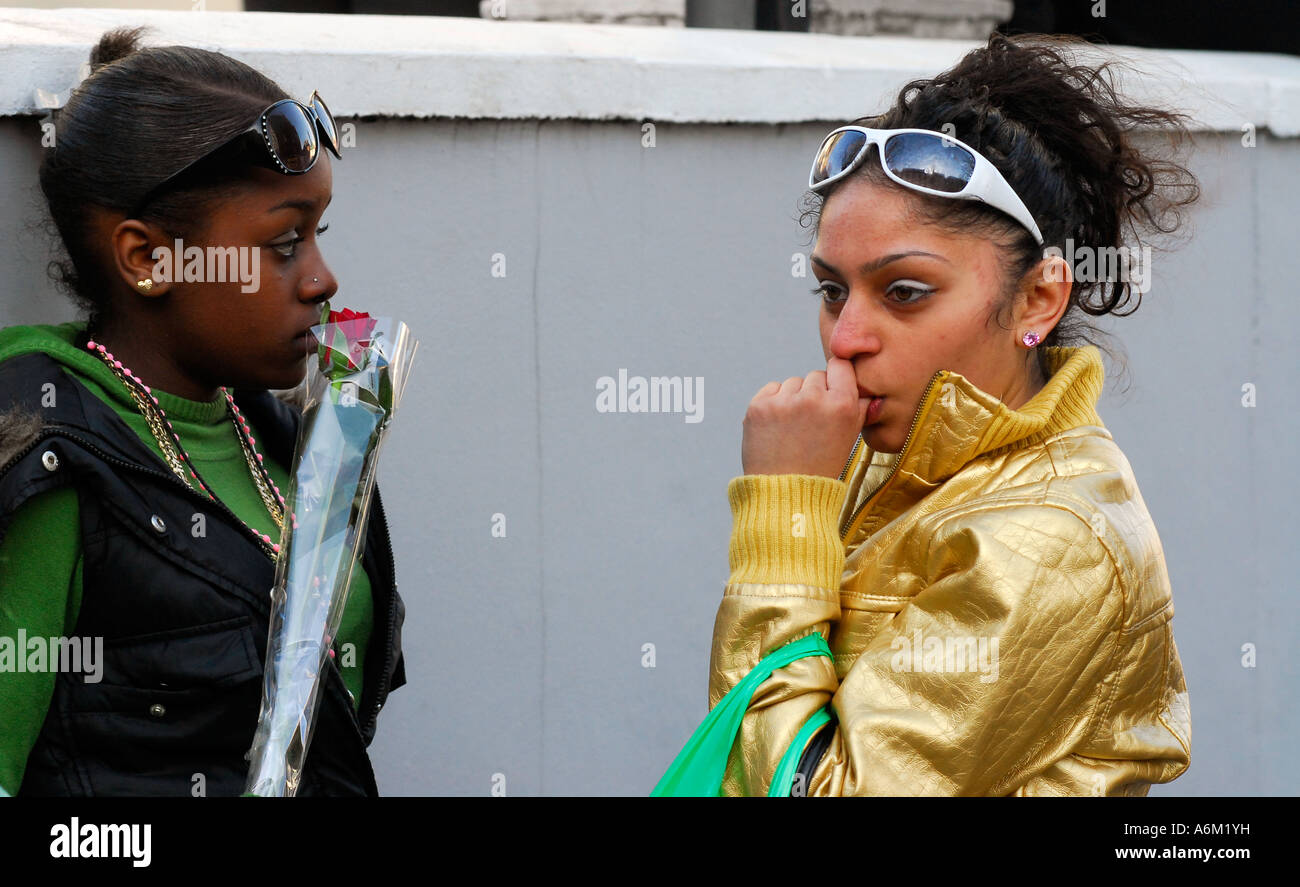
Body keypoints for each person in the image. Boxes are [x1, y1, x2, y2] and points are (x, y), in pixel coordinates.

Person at [710, 32, 1197, 796]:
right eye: (832, 290)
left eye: (904, 291)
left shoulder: (1053, 536)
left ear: (1038, 298)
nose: (845, 338)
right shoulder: (892, 455)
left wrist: (784, 520)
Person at [0, 26, 406, 796]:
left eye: (319, 234)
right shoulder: (51, 460)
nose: (323, 278)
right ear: (150, 260)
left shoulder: (299, 439)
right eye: (284, 244)